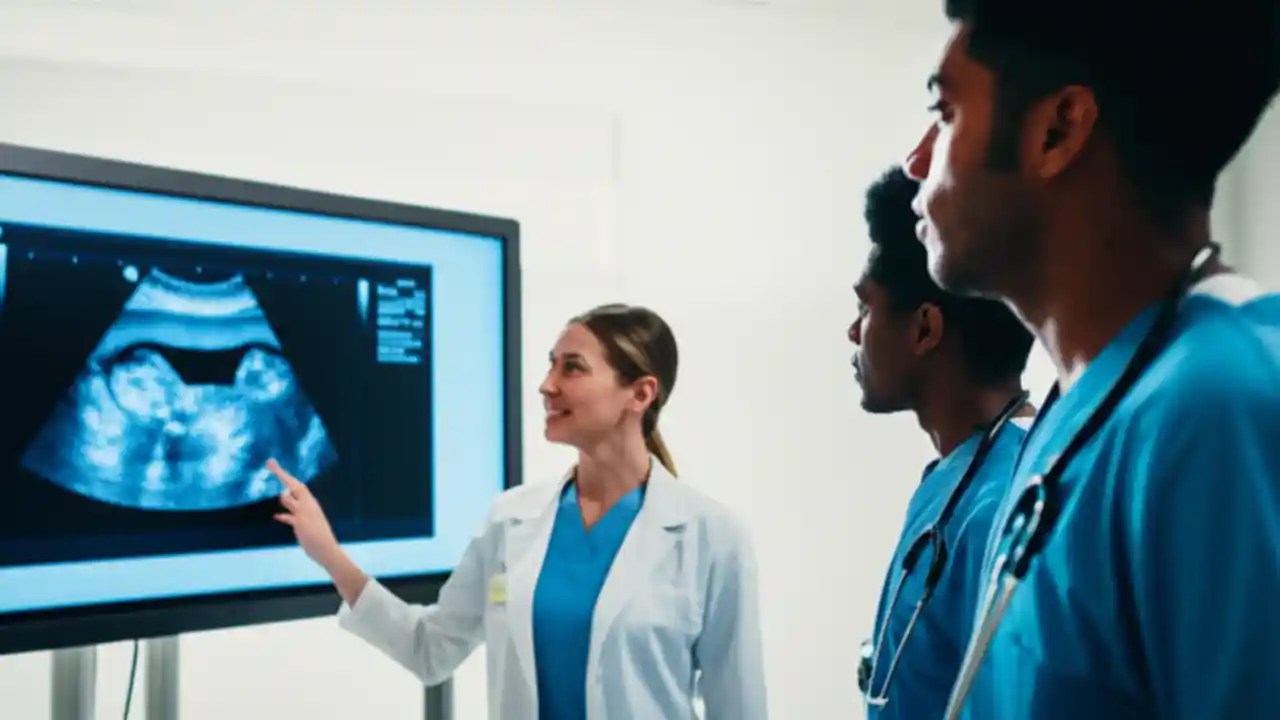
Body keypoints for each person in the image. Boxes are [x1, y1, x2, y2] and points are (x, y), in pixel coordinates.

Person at [902, 1, 1280, 718]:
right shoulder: (1080, 413)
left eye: (944, 112)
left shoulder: (1225, 407)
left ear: (1056, 131)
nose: (915, 159)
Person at [269, 303, 767, 720]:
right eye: (551, 365)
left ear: (639, 393)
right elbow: (431, 649)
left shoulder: (712, 536)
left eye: (572, 367)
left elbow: (738, 708)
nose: (547, 385)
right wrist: (330, 555)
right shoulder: (511, 520)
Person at [849, 165, 1035, 720]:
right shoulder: (952, 478)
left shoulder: (1006, 500)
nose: (854, 332)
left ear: (925, 330)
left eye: (865, 308)